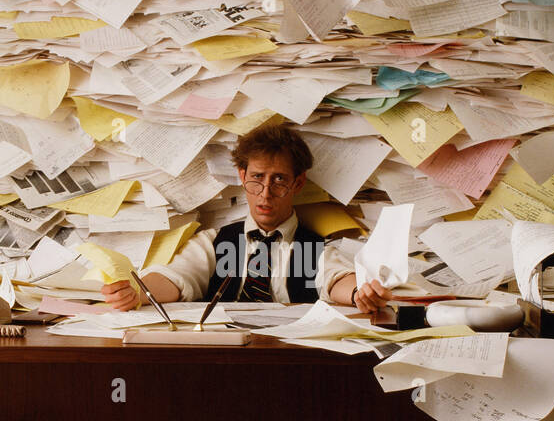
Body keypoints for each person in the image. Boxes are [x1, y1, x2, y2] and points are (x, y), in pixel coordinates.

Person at [101, 122, 394, 312]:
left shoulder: (311, 248)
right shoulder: (216, 242)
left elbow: (336, 279)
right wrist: (137, 292)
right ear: (242, 176)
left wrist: (360, 292)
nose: (265, 193)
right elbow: (178, 276)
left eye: (279, 180)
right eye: (257, 178)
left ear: (298, 183)